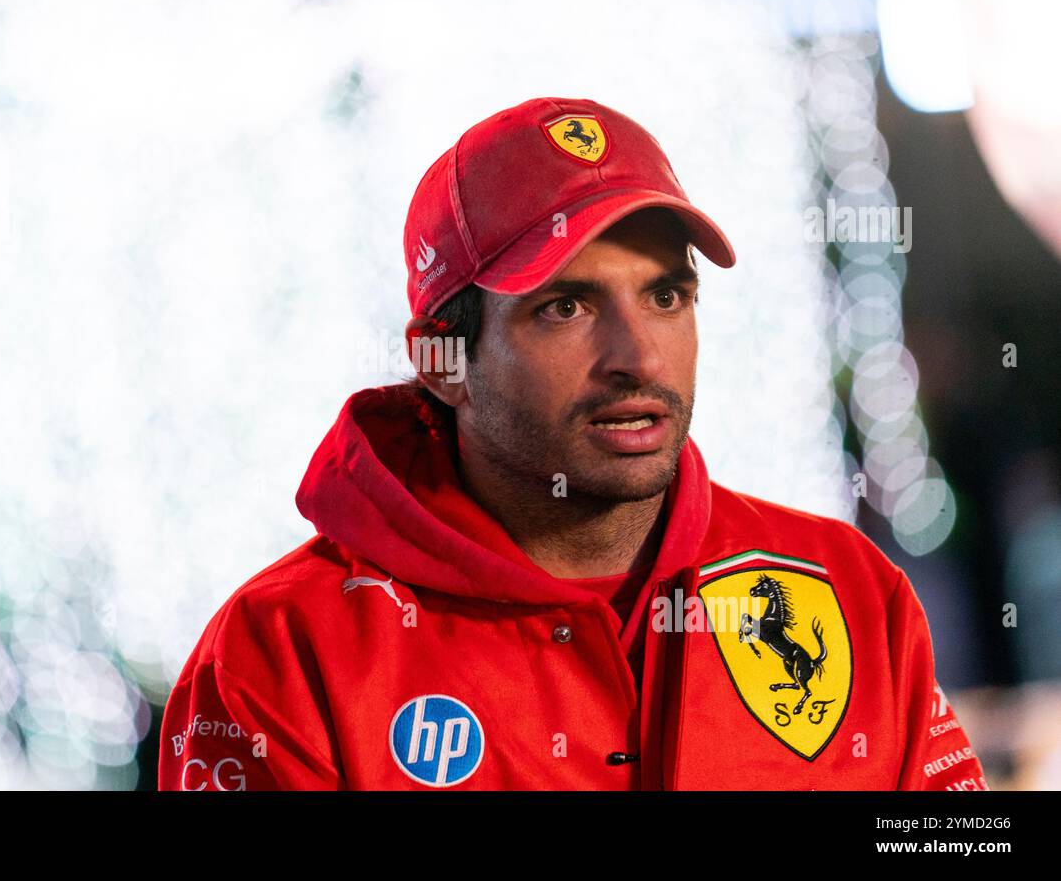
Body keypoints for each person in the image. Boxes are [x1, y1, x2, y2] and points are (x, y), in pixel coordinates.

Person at [158, 97, 987, 790]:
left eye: (666, 295)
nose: (638, 356)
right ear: (443, 363)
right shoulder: (281, 653)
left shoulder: (849, 591)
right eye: (566, 307)